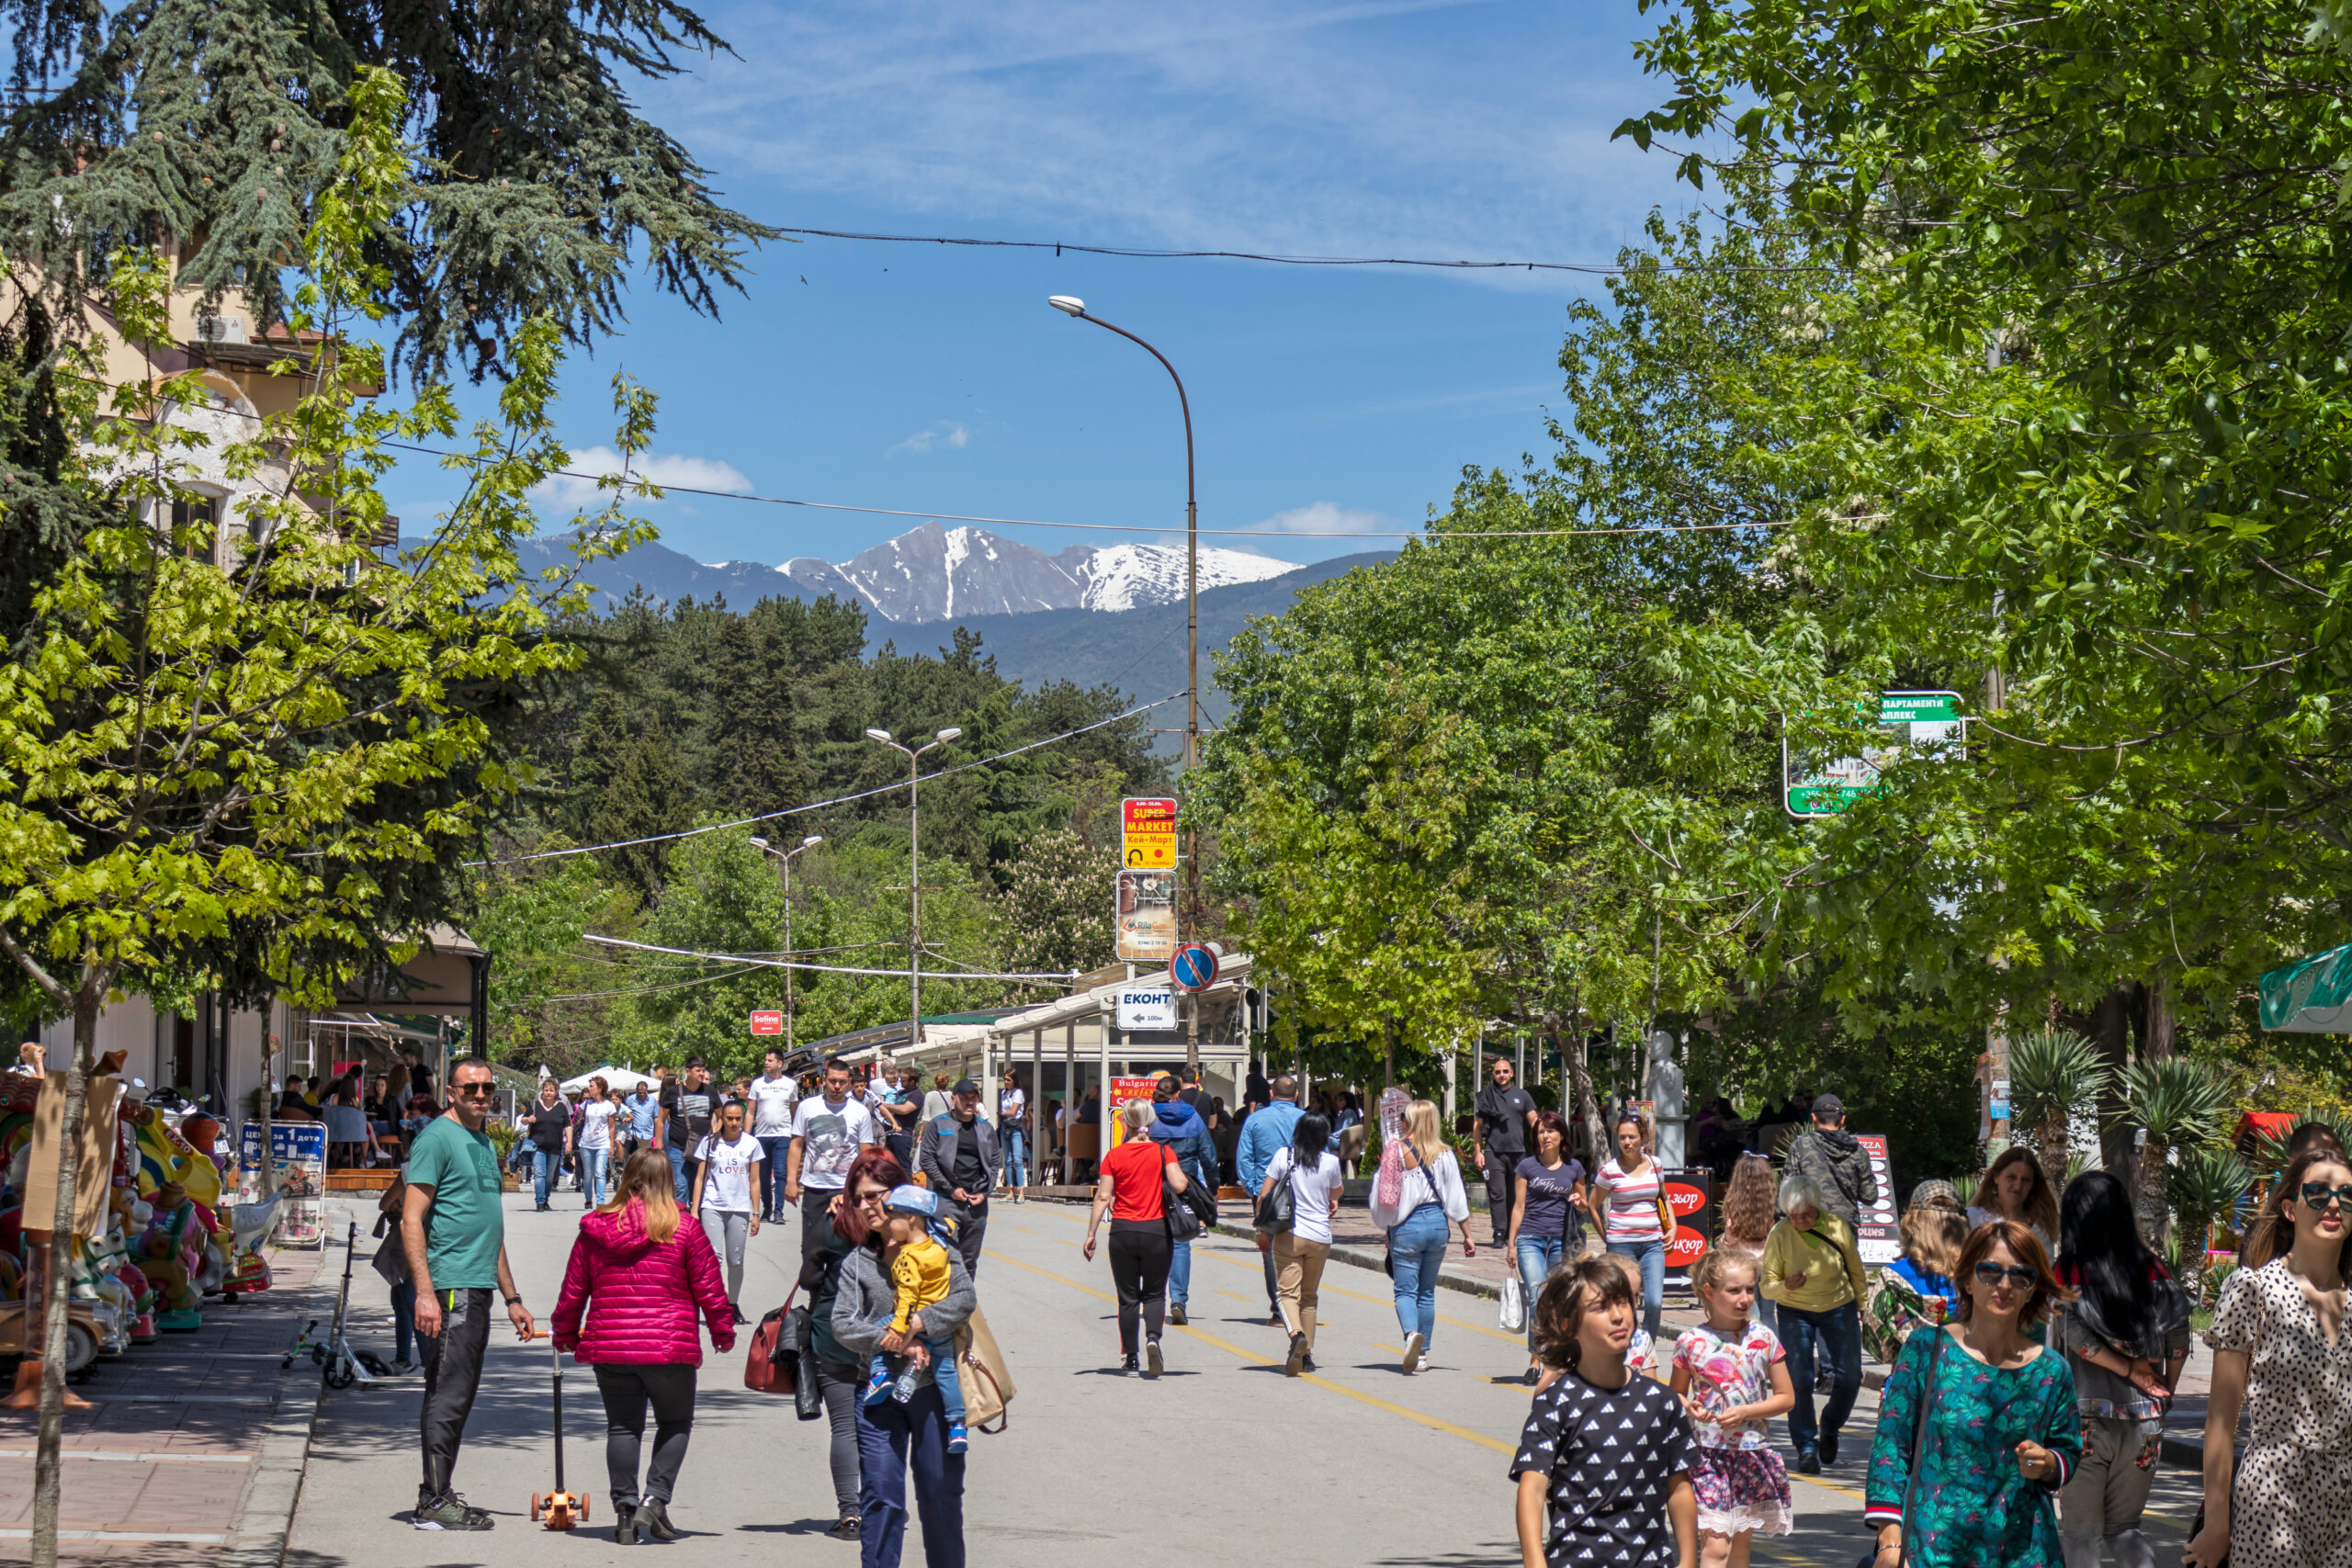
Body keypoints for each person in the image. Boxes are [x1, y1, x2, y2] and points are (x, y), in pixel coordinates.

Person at [1865, 1220, 2082, 1568]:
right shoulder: (1926, 1349)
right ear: (1967, 1280)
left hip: (2023, 1553)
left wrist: (2047, 1463)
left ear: (2032, 1289)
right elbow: (1891, 1448)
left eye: (2021, 1275)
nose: (2005, 1284)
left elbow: (2067, 1451)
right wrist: (1890, 1542)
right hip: (1934, 1550)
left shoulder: (2052, 1371)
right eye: (1990, 1272)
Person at [550, 1145, 734, 1545]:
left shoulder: (596, 1229)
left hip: (612, 1346)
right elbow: (710, 1287)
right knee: (675, 1422)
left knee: (622, 1426)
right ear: (668, 1181)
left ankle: (625, 1511)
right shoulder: (684, 1228)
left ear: (626, 1178)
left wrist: (564, 1332)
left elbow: (573, 1289)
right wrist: (722, 1331)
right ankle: (654, 1498)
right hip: (669, 1347)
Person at [2186, 1145, 2352, 1568]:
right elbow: (2220, 1419)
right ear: (2290, 1208)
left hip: (2345, 1504)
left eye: (2347, 1195)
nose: (2334, 1204)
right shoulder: (2254, 1290)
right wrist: (2217, 1522)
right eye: (2318, 1193)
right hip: (2273, 1496)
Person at [401, 1057, 534, 1530]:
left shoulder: (482, 1141)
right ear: (451, 1092)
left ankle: (437, 1493)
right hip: (450, 1285)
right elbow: (411, 1219)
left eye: (487, 1088)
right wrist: (425, 1293)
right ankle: (434, 1500)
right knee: (449, 1392)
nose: (480, 1095)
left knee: (459, 1390)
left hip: (477, 1285)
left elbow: (487, 1229)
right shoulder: (437, 1138)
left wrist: (512, 1298)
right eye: (470, 1088)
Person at [1512, 1251, 1700, 1568]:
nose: (1617, 1316)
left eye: (1623, 1303)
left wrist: (1688, 1561)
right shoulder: (1555, 1403)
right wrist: (1535, 1562)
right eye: (1600, 1307)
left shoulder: (1662, 1401)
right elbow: (1532, 1491)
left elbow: (1679, 1488)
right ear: (1570, 1326)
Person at [832, 1160, 978, 1568]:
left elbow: (964, 1299)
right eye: (858, 1199)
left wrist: (917, 1324)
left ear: (900, 1198)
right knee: (881, 1498)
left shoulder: (939, 1250)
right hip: (877, 1395)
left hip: (933, 1392)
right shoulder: (858, 1262)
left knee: (940, 1495)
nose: (865, 1206)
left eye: (873, 1196)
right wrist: (897, 1343)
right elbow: (842, 1324)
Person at [2050, 1170, 2189, 1568]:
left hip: (2084, 1420)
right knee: (2126, 1528)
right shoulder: (2155, 1270)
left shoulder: (2068, 1272)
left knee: (2081, 1533)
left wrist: (2128, 1369)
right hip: (2146, 1421)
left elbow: (2076, 1339)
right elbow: (2179, 1337)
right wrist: (2164, 1389)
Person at [798, 1150, 906, 1542]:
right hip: (887, 1338)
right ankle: (883, 1506)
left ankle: (850, 1515)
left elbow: (808, 1277)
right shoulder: (904, 1224)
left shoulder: (834, 1222)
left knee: (844, 1427)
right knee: (881, 1427)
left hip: (835, 1336)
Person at [1670, 1248, 1796, 1563]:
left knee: (1740, 1546)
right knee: (1716, 1546)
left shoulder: (1764, 1337)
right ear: (1710, 1292)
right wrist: (1689, 1407)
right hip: (1707, 1456)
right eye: (1734, 1290)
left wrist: (1746, 1412)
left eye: (1750, 1289)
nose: (1744, 1299)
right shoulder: (1691, 1341)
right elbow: (1676, 1395)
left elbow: (1786, 1397)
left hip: (1750, 1454)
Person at [1761, 1170, 1867, 1474]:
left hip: (1839, 1306)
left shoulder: (1837, 1226)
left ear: (1816, 1208)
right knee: (1799, 1379)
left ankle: (1830, 1426)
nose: (1799, 1221)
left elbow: (1855, 1269)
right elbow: (1767, 1286)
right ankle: (1806, 1446)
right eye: (1793, 1216)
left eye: (1806, 1215)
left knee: (1850, 1377)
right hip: (1795, 1311)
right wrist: (1786, 1286)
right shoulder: (1780, 1233)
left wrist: (1863, 1306)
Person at [1082, 1100, 1189, 1375]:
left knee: (1128, 1297)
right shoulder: (1163, 1152)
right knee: (1154, 1293)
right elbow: (1179, 1185)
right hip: (1156, 1231)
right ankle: (1153, 1338)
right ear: (1150, 1122)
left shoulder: (1114, 1155)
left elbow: (1103, 1197)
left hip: (1123, 1232)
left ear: (1126, 1122)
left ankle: (1131, 1359)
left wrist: (1091, 1233)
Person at [1370, 1098, 1476, 1375]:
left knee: (1405, 1290)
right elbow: (1456, 1198)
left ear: (1411, 1121)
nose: (1401, 1121)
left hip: (1408, 1225)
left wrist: (1385, 1222)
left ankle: (1410, 1336)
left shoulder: (1397, 1150)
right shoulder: (1446, 1154)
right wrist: (1468, 1235)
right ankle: (1423, 1355)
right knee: (1427, 1292)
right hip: (1438, 1224)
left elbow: (1383, 1193)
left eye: (1404, 1117)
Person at [861, 1185, 968, 1452]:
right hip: (939, 1326)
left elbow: (908, 1297)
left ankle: (880, 1374)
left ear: (911, 1217)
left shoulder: (908, 1256)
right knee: (946, 1373)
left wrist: (900, 1329)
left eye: (892, 1217)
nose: (888, 1223)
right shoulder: (939, 1244)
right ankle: (957, 1424)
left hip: (911, 1319)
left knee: (878, 1331)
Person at [1261, 1109, 1344, 1377]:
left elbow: (1265, 1195)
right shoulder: (1331, 1162)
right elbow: (1337, 1191)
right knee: (1309, 1296)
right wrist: (1330, 1198)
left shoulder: (1283, 1156)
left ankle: (1296, 1336)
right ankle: (1307, 1355)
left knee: (1287, 1294)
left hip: (1289, 1234)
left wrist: (1262, 1230)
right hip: (1320, 1237)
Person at [1506, 1109, 1587, 1383]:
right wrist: (1511, 1244)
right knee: (1537, 1296)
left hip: (1561, 1241)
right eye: (1541, 1131)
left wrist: (1578, 1200)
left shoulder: (1574, 1168)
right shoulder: (1527, 1166)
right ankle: (1535, 1359)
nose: (1545, 1135)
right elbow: (1518, 1207)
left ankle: (1555, 1358)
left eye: (1551, 1130)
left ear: (1562, 1135)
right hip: (1530, 1238)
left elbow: (1585, 1205)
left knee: (1557, 1301)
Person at [1863, 1180, 1969, 1366]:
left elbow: (1878, 1347)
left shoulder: (1893, 1277)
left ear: (1913, 1222)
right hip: (1965, 1375)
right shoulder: (1979, 1274)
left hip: (1912, 1374)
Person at [1589, 1109, 1672, 1340]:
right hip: (1621, 1245)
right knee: (1625, 1303)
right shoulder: (1610, 1170)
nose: (1627, 1142)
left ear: (1643, 1138)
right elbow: (1592, 1206)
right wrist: (1606, 1237)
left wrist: (1673, 1227)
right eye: (1622, 1137)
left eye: (1632, 1137)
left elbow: (1664, 1197)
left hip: (1653, 1243)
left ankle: (1646, 1349)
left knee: (1654, 1302)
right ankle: (1626, 1347)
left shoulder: (1655, 1164)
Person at [787, 1055, 878, 1262]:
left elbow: (865, 1153)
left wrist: (864, 1188)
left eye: (842, 1082)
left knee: (846, 1249)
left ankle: (840, 1284)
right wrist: (791, 1181)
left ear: (849, 1083)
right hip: (814, 1189)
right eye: (833, 1081)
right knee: (811, 1249)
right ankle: (814, 1283)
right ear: (824, 1080)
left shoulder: (860, 1112)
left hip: (846, 1190)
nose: (837, 1086)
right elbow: (796, 1144)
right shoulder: (807, 1107)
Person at [1145, 1075, 1216, 1325]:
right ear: (1178, 1094)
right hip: (1183, 1183)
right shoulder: (1193, 1116)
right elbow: (1208, 1153)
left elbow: (1131, 1146)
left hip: (1152, 1182)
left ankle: (1153, 1298)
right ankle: (1178, 1300)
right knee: (1181, 1241)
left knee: (1151, 1239)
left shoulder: (1148, 1116)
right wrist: (1213, 1186)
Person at [1237, 1075, 1305, 1326]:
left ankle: (1279, 1309)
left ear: (1271, 1094)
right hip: (1301, 1190)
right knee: (1300, 1244)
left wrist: (1253, 1189)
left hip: (1266, 1191)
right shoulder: (1305, 1120)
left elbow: (1245, 1157)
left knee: (1269, 1248)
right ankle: (1297, 1303)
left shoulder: (1255, 1119)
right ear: (1296, 1095)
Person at [916, 1077, 1000, 1280]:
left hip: (976, 1203)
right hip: (946, 1199)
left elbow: (995, 1161)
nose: (970, 1103)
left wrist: (985, 1192)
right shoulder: (938, 1124)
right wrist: (950, 1188)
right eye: (965, 1098)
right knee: (944, 1256)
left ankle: (965, 1298)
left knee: (969, 1260)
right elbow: (926, 1159)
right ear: (954, 1099)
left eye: (973, 1098)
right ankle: (943, 1298)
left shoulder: (986, 1128)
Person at [689, 1099, 763, 1322]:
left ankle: (732, 1303)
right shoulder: (709, 1142)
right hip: (713, 1205)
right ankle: (714, 1304)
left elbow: (754, 1180)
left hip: (739, 1207)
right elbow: (700, 1178)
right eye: (729, 1118)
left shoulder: (751, 1144)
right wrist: (695, 1210)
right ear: (722, 1118)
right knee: (715, 1258)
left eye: (738, 1118)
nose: (734, 1123)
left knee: (736, 1260)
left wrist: (756, 1213)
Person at [1781, 1092, 1879, 1233]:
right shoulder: (1858, 1152)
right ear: (1842, 1120)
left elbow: (1786, 1194)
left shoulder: (1800, 1148)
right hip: (1846, 1233)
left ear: (1813, 1118)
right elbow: (1870, 1197)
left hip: (1809, 1232)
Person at [1476, 1056, 1538, 1247]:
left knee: (1516, 1195)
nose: (1501, 1075)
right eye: (1498, 1072)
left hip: (1518, 1153)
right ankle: (1499, 1232)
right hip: (1493, 1152)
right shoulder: (1487, 1096)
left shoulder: (1523, 1095)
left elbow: (1535, 1121)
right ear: (1493, 1074)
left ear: (1511, 1073)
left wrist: (1542, 1144)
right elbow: (1478, 1126)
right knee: (1497, 1194)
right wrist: (1478, 1152)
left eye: (1505, 1071)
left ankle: (1513, 1232)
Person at [1716, 1154, 1779, 1332]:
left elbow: (1730, 1240)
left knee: (1751, 1313)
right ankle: (1773, 1347)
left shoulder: (1734, 1204)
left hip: (1744, 1265)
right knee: (1768, 1314)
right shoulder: (1773, 1204)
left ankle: (1751, 1346)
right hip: (1769, 1263)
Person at [1970, 1145, 2059, 1256]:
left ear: (2033, 1185)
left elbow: (2045, 1266)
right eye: (2011, 1177)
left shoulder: (2039, 1231)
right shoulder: (1972, 1218)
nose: (2018, 1186)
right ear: (1996, 1177)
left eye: (2025, 1180)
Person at [748, 1048, 798, 1224]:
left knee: (780, 1172)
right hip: (762, 1135)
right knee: (763, 1175)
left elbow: (794, 1111)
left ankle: (778, 1212)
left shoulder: (790, 1084)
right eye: (766, 1060)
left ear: (780, 1063)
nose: (766, 1063)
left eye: (770, 1060)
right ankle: (767, 1208)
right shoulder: (757, 1084)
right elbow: (750, 1112)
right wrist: (746, 1136)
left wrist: (794, 1133)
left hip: (782, 1135)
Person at [662, 1059, 715, 1204]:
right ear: (688, 1071)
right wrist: (659, 1146)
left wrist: (716, 1135)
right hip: (677, 1148)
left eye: (703, 1070)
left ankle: (697, 1214)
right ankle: (681, 1216)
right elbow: (660, 1120)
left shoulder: (710, 1092)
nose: (702, 1073)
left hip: (702, 1148)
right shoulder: (673, 1092)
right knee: (680, 1185)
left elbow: (722, 1115)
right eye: (698, 1070)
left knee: (700, 1186)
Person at [522, 1078, 572, 1212]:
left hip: (555, 1146)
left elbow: (568, 1125)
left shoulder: (561, 1107)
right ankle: (539, 1201)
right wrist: (528, 1119)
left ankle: (545, 1200)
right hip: (537, 1145)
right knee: (539, 1173)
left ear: (556, 1092)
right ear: (542, 1091)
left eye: (551, 1090)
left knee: (549, 1177)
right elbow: (523, 1119)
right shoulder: (535, 1105)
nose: (548, 1093)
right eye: (546, 1090)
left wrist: (569, 1142)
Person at [576, 1076, 618, 1207]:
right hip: (586, 1143)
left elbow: (612, 1127)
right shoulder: (586, 1105)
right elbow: (579, 1121)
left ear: (600, 1088)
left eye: (591, 1086)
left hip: (602, 1143)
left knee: (600, 1172)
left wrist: (611, 1145)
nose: (589, 1089)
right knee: (588, 1174)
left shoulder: (609, 1106)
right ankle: (588, 1199)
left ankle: (600, 1202)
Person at [997, 1068, 1028, 1203]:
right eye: (1004, 1079)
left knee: (1017, 1159)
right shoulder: (1004, 1093)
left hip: (1015, 1127)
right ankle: (1010, 1191)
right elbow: (1005, 1112)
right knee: (1008, 1160)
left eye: (1008, 1080)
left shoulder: (1018, 1093)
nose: (1005, 1082)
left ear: (1014, 1080)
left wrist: (1001, 1114)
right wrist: (1001, 1116)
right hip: (1005, 1127)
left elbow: (1013, 1112)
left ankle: (1021, 1192)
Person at [621, 1078, 659, 1164]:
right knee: (634, 1157)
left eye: (644, 1093)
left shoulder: (652, 1100)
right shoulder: (630, 1100)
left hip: (647, 1134)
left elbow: (656, 1117)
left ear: (647, 1091)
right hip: (634, 1133)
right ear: (636, 1091)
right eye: (639, 1092)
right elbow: (626, 1113)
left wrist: (656, 1134)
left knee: (646, 1158)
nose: (642, 1094)